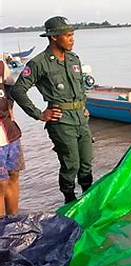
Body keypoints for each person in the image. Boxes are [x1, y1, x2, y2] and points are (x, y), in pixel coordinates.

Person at [11, 16, 93, 204]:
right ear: (54, 37)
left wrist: (84, 106)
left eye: (72, 35)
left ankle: (89, 199)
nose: (72, 39)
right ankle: (70, 201)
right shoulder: (39, 63)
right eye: (68, 35)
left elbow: (80, 87)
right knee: (71, 165)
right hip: (61, 122)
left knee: (87, 163)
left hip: (81, 118)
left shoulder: (74, 59)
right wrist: (40, 114)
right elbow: (18, 90)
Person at [0, 60, 24, 217]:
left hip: (10, 133)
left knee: (14, 175)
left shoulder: (1, 66)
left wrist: (10, 107)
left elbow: (12, 86)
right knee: (1, 184)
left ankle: (14, 220)